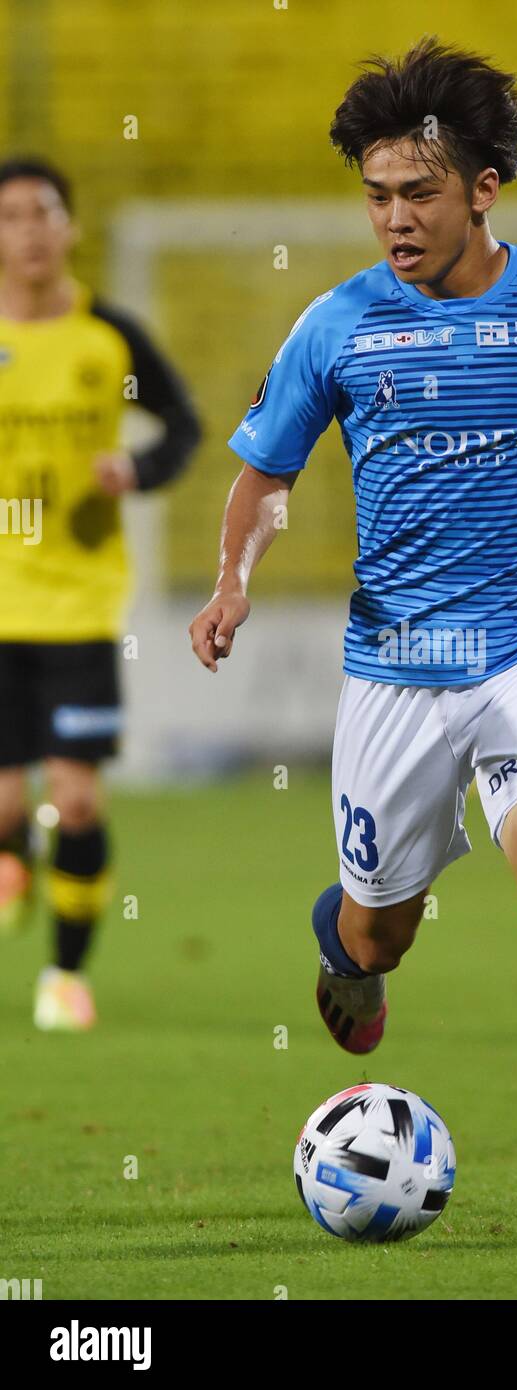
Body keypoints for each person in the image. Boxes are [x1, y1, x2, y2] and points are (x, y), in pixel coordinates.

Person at [189, 38, 517, 1241]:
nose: (394, 219)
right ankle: (347, 938)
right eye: (376, 196)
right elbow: (266, 474)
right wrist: (232, 579)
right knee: (383, 927)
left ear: (484, 188)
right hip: (395, 671)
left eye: (419, 192)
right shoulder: (338, 326)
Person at [0, 157, 202, 1030]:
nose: (30, 232)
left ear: (70, 228)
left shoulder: (109, 338)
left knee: (75, 798)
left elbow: (185, 426)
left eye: (44, 213)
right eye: (10, 217)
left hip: (81, 609)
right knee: (7, 802)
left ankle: (64, 977)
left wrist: (137, 467)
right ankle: (11, 858)